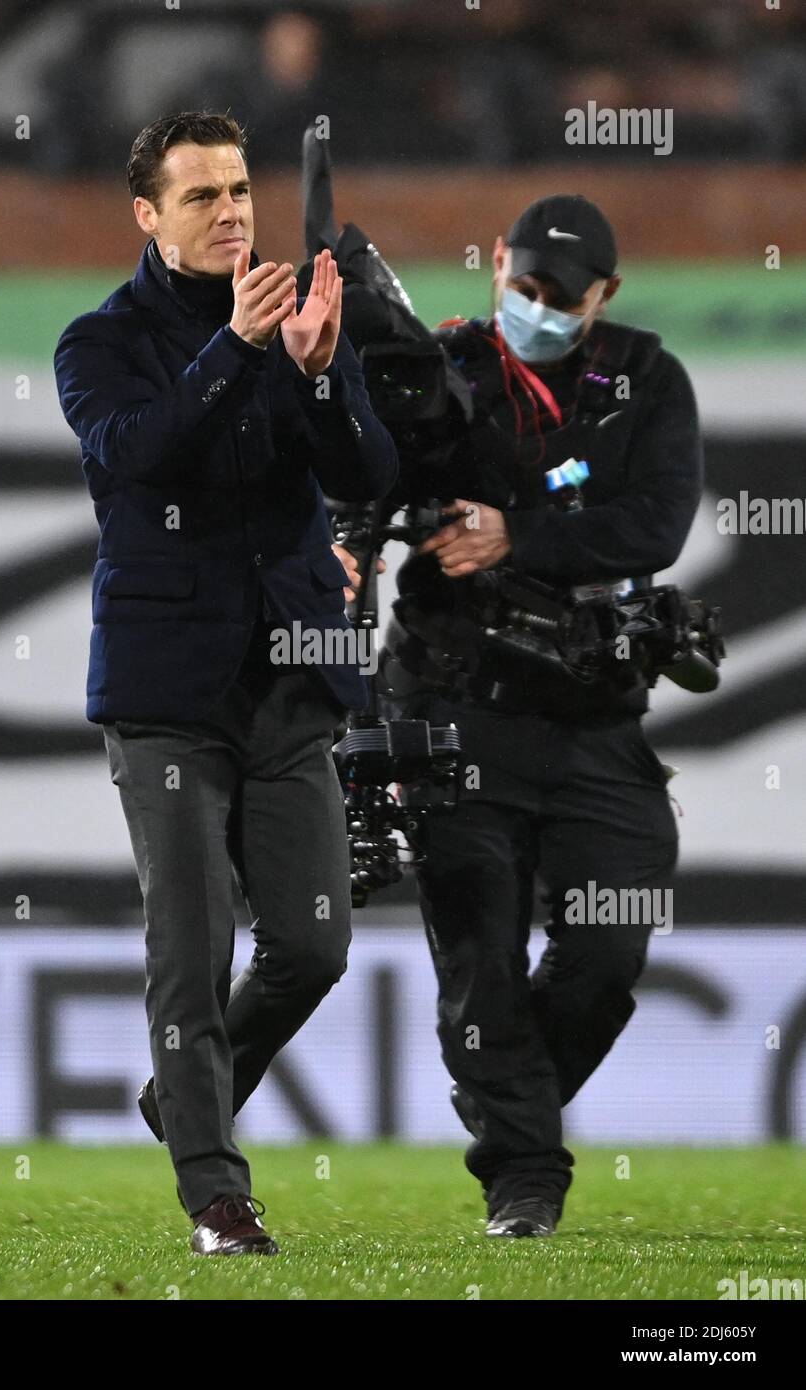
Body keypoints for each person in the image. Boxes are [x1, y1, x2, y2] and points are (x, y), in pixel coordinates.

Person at [53, 112, 397, 1255]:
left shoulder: (302, 314)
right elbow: (135, 455)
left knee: (312, 945)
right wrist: (237, 355)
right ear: (146, 216)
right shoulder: (98, 342)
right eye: (201, 196)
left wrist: (313, 377)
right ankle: (216, 1194)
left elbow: (365, 472)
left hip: (293, 680)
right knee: (190, 946)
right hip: (166, 692)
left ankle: (180, 1100)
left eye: (240, 190)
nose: (233, 212)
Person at [379, 194, 702, 1237]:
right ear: (495, 273)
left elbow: (655, 524)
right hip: (453, 705)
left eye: (561, 297)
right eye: (520, 285)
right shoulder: (443, 370)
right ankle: (522, 1175)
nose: (536, 307)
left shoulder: (645, 379)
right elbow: (367, 480)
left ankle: (501, 1102)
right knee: (478, 955)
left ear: (604, 297)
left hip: (595, 714)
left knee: (608, 949)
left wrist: (516, 534)